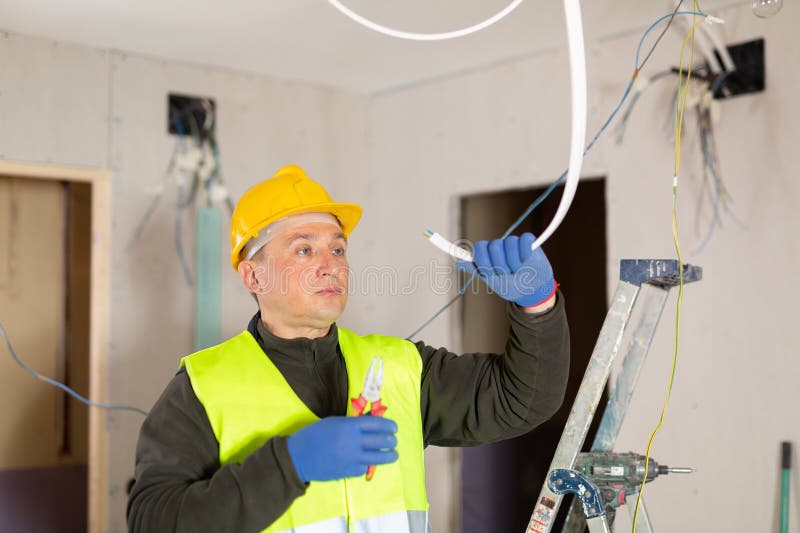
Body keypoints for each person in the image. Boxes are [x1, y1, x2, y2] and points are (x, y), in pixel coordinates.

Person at [127, 164, 570, 533]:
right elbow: (153, 522)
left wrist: (537, 305)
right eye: (304, 249)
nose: (330, 265)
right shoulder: (203, 388)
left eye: (338, 249)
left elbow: (522, 401)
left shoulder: (401, 366)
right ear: (254, 277)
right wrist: (289, 465)